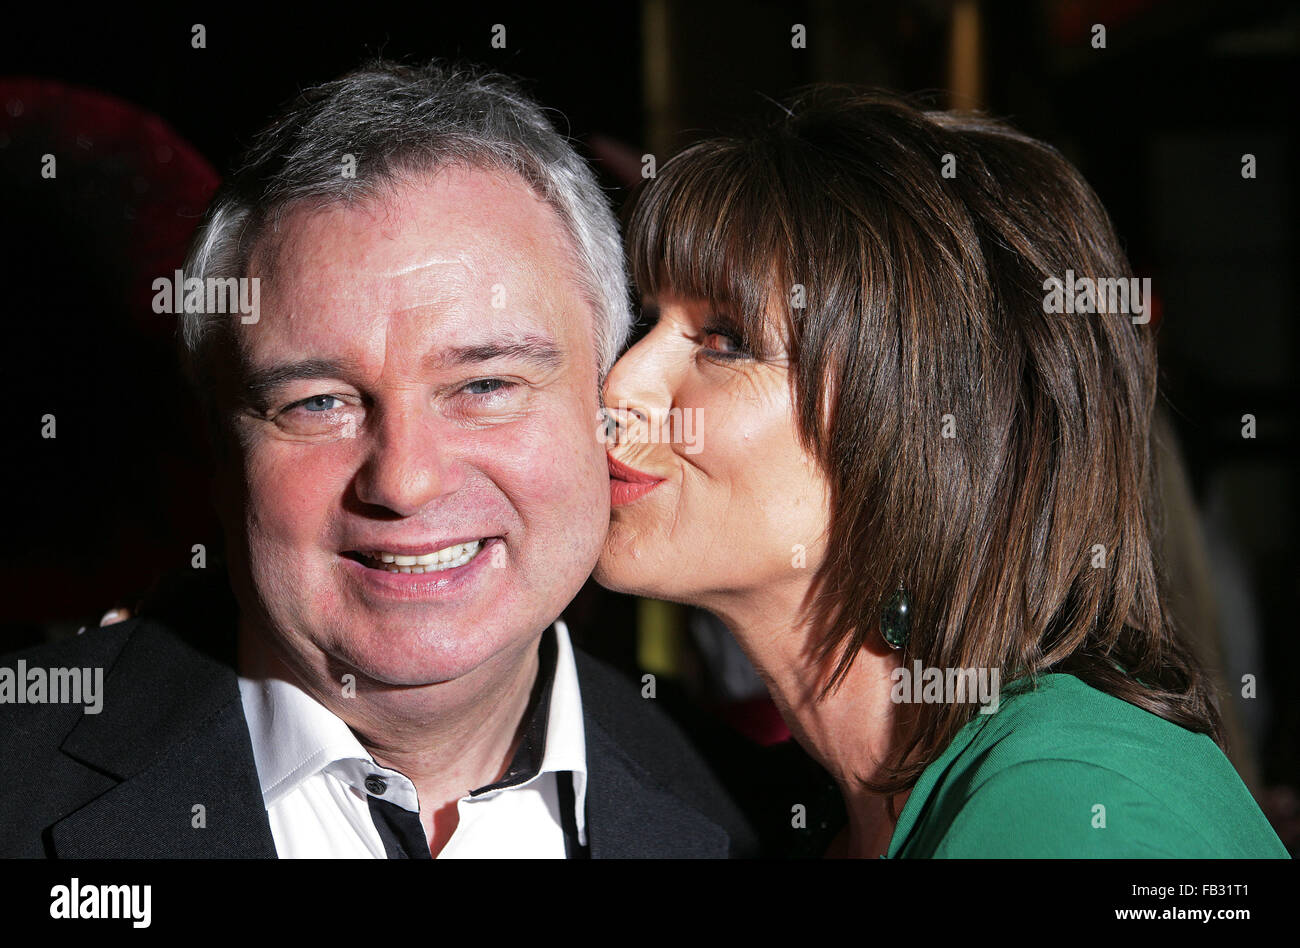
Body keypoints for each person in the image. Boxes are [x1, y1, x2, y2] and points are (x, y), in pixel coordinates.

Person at [0, 60, 754, 859]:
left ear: (606, 403)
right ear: (221, 454)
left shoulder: (766, 817)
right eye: (317, 402)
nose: (404, 479)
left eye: (486, 384)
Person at [595, 86, 1289, 858]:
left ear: (927, 424)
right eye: (647, 321)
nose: (621, 384)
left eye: (726, 340)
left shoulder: (1072, 805)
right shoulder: (859, 803)